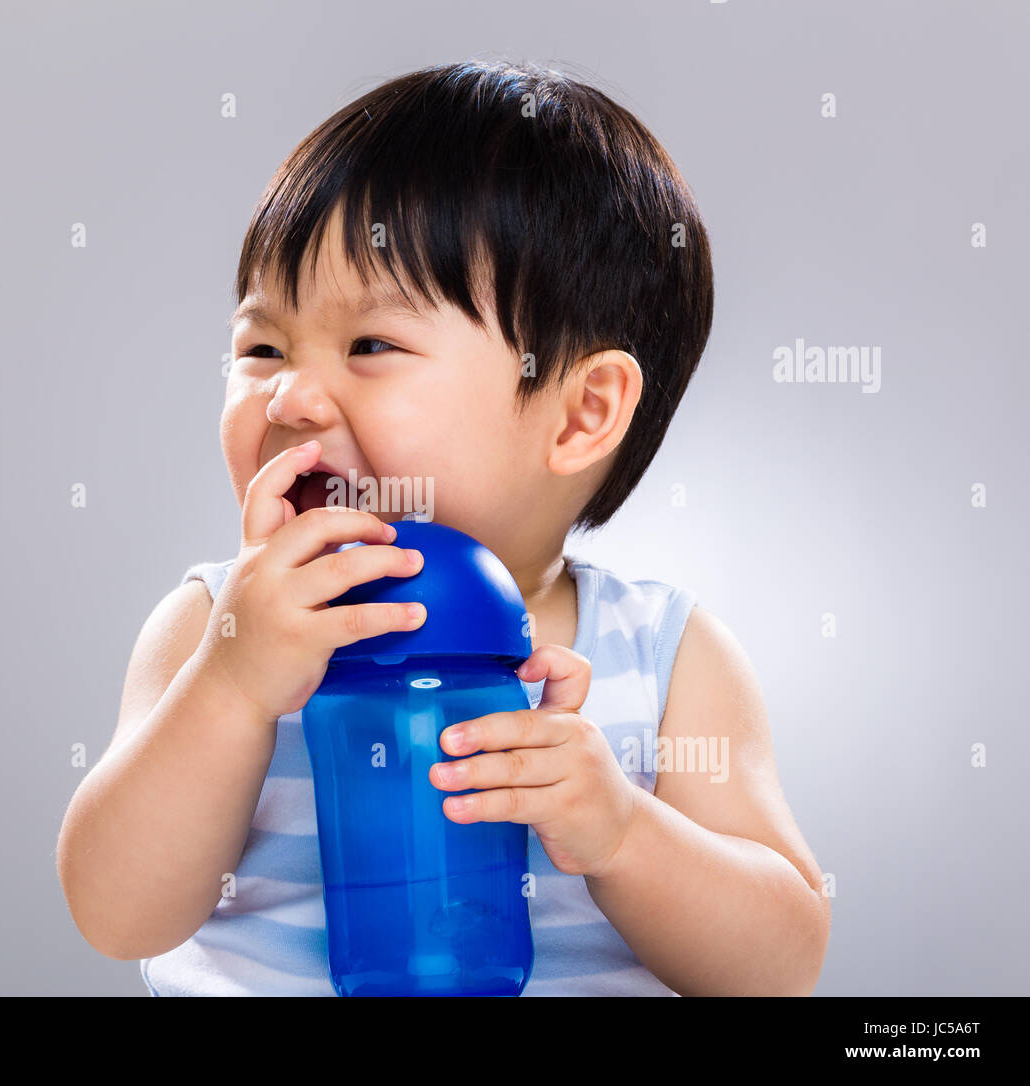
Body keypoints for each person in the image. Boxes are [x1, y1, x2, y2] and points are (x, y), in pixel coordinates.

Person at [57, 59, 830, 996]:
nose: (291, 397)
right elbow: (116, 913)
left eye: (372, 345)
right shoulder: (212, 626)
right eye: (262, 348)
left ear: (582, 412)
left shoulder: (664, 656)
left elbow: (780, 966)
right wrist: (230, 690)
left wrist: (624, 831)